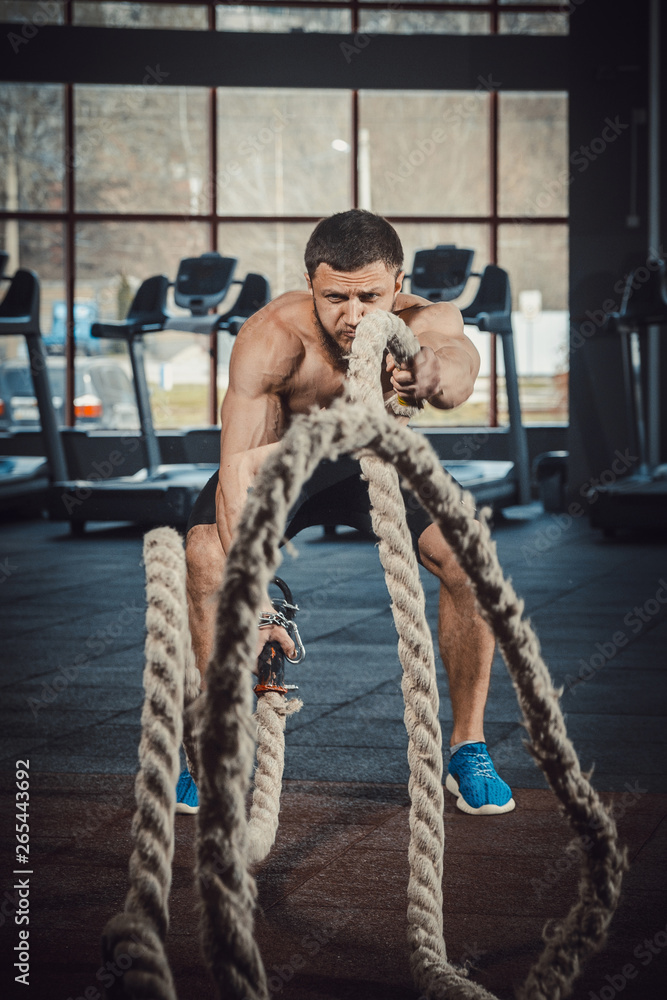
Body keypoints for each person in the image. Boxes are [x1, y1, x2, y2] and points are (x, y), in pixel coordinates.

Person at [176, 210, 514, 817]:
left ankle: (469, 748)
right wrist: (252, 598)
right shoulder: (271, 338)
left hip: (373, 461)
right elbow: (238, 472)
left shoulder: (425, 321)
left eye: (370, 297)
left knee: (470, 557)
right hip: (284, 460)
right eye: (336, 297)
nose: (353, 315)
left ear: (397, 284)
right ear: (311, 282)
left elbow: (458, 367)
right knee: (203, 555)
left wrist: (432, 372)